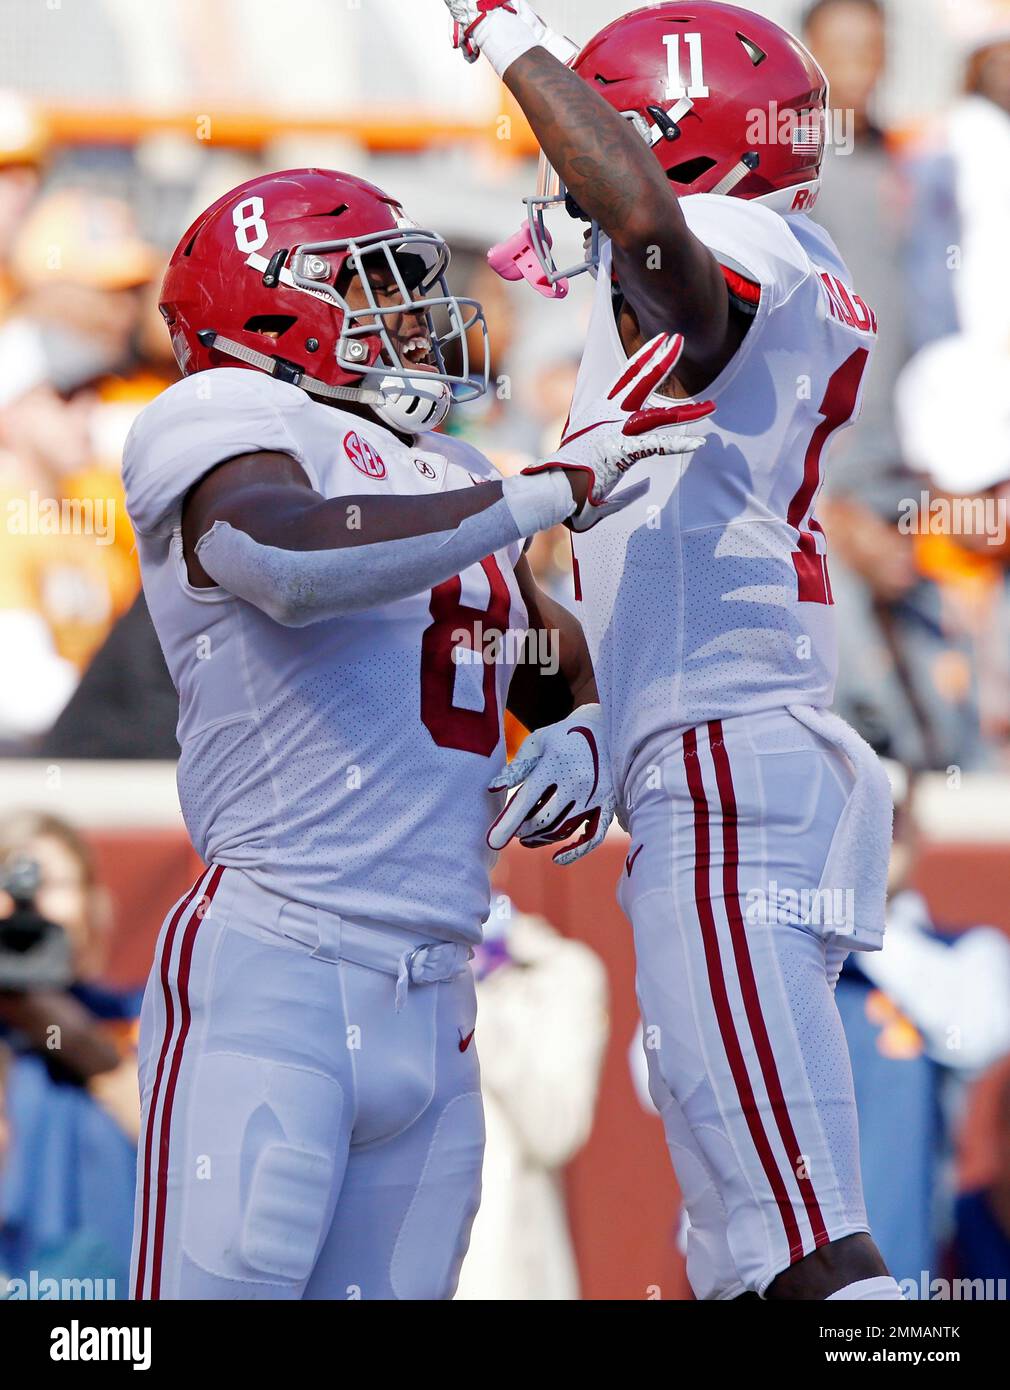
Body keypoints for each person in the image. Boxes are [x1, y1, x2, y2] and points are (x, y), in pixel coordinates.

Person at [121, 166, 706, 1301]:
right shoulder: (223, 415)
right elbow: (282, 558)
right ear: (277, 304)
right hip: (277, 962)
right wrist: (535, 494)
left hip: (437, 991)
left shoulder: (454, 471)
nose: (410, 313)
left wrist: (586, 728)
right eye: (373, 284)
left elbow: (556, 659)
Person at [444, 0, 901, 1300]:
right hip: (724, 750)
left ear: (653, 135)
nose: (561, 171)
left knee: (797, 1239)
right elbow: (654, 544)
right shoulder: (761, 270)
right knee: (740, 1251)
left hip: (726, 768)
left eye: (594, 130)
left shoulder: (741, 243)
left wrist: (500, 38)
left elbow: (650, 231)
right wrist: (589, 704)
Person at [0, 811, 143, 1296]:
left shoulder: (138, 1017)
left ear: (91, 903)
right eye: (14, 883)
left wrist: (68, 1032)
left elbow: (178, 1145)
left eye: (53, 883)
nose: (32, 904)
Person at [454, 896, 608, 1300]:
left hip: (511, 1273)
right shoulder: (386, 957)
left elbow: (555, 1133)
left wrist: (473, 1006)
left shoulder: (563, 972)